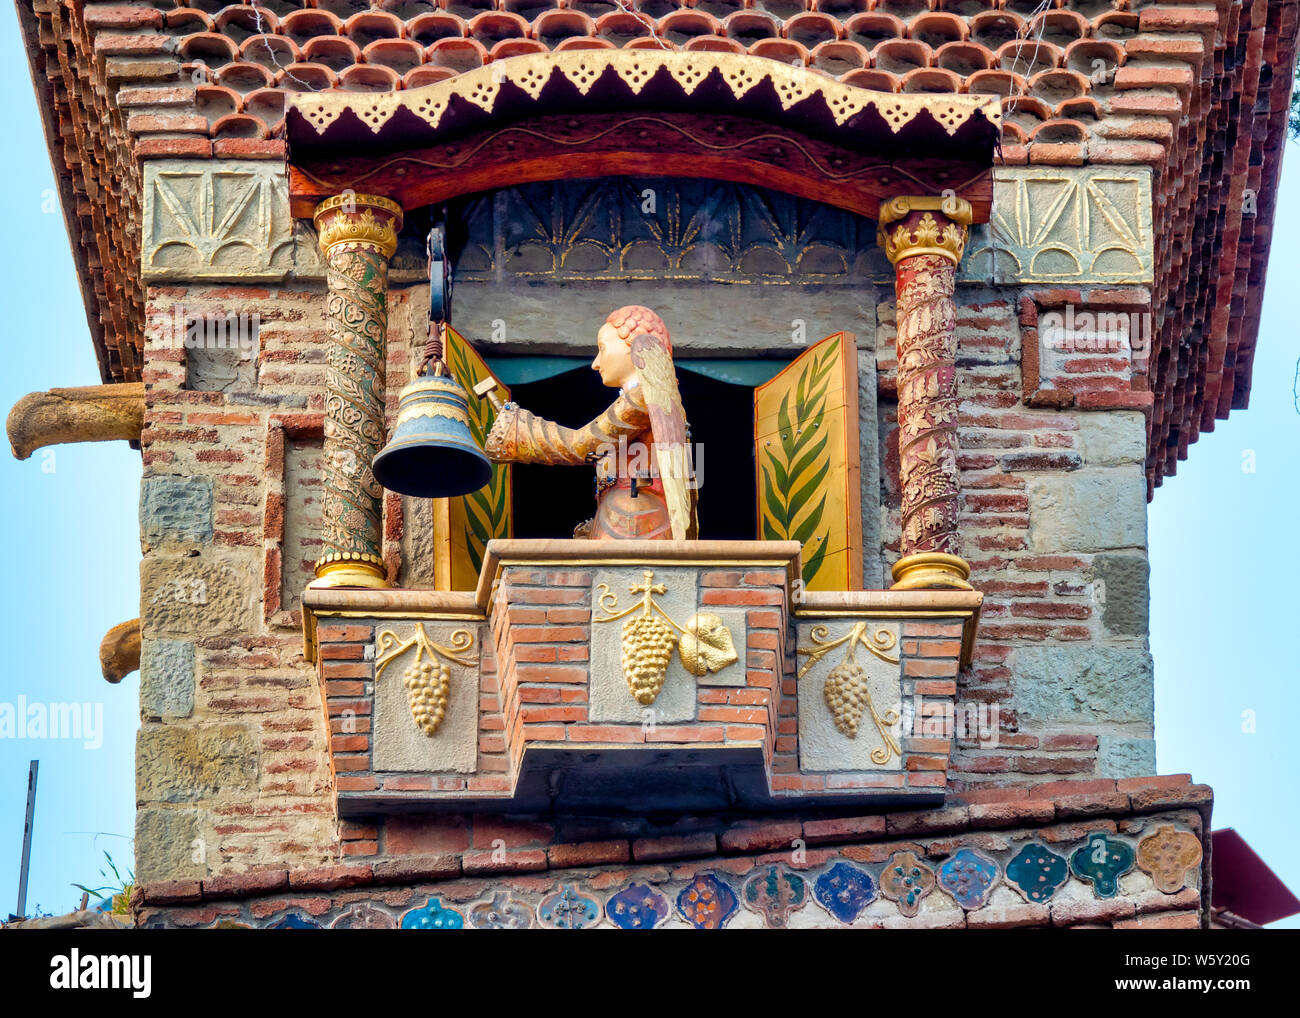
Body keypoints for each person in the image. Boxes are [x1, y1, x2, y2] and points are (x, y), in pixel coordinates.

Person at [484, 305, 697, 541]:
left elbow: (583, 445)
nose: (596, 363)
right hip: (629, 513)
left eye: (602, 349)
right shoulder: (646, 397)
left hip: (632, 517)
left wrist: (520, 429)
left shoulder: (642, 399)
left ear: (634, 348)